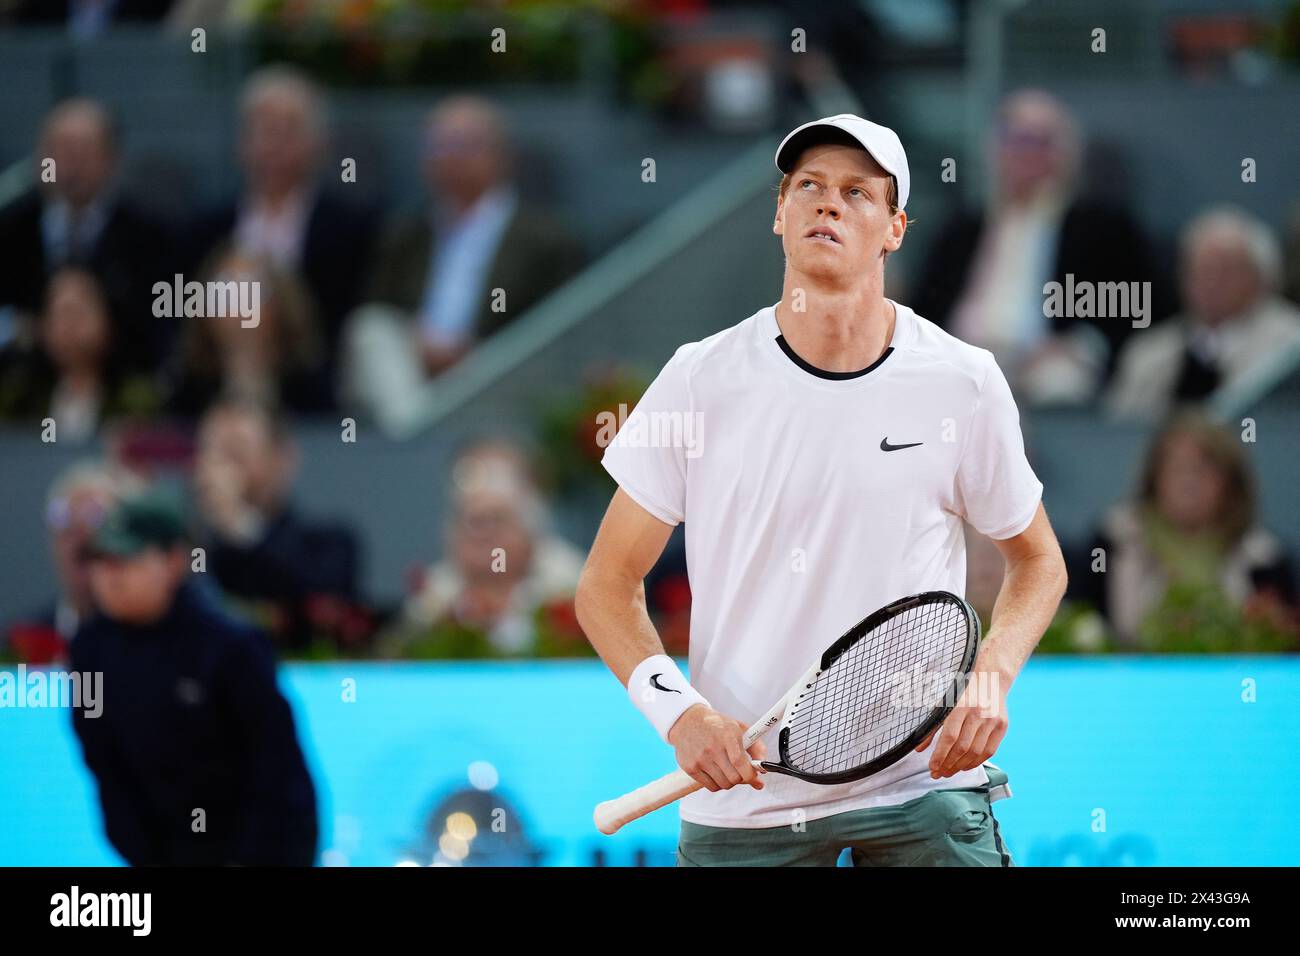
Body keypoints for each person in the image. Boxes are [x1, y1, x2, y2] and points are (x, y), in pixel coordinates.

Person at [576, 114, 1068, 867]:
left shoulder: (963, 381)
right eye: (807, 186)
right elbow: (607, 585)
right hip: (744, 810)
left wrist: (990, 679)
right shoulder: (698, 378)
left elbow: (1039, 562)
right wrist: (680, 718)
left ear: (894, 228)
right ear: (780, 213)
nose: (826, 204)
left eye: (855, 192)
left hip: (921, 784)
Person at [68, 488, 319, 865]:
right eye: (101, 562)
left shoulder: (230, 645)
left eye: (127, 560)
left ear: (173, 561)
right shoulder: (89, 651)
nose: (110, 576)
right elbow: (105, 768)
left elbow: (274, 770)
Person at [909, 89, 1170, 403]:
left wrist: (1083, 344)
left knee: (1060, 386)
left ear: (1067, 154)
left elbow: (1144, 305)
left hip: (1051, 361)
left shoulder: (1102, 229)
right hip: (965, 357)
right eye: (1015, 140)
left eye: (1041, 142)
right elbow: (923, 307)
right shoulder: (962, 228)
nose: (1026, 153)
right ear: (996, 149)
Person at [341, 95, 585, 429]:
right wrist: (421, 344)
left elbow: (558, 324)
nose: (450, 158)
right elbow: (382, 305)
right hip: (412, 372)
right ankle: (416, 428)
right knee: (369, 329)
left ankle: (415, 434)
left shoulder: (546, 238)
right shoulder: (406, 234)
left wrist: (470, 354)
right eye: (439, 147)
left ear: (501, 156)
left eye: (463, 145)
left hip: (494, 369)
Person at [190, 65, 375, 364]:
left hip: (313, 379)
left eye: (287, 131)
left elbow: (344, 320)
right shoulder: (207, 229)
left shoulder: (350, 229)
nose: (273, 145)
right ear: (241, 143)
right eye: (262, 130)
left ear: (319, 142)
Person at [1074, 413, 1297, 650]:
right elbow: (1079, 627)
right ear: (1154, 477)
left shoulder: (1267, 558)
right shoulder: (1110, 542)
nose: (1188, 483)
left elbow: (1288, 645)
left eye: (1203, 470)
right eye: (1176, 467)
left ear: (1231, 483)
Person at [0, 98, 174, 367]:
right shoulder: (11, 232)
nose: (72, 165)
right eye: (61, 151)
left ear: (112, 159)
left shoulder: (148, 239)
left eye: (84, 151)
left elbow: (158, 331)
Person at [382, 439, 585, 658]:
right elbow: (397, 662)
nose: (481, 534)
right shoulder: (435, 594)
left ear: (530, 529)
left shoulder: (571, 580)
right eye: (470, 521)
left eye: (496, 520)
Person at [193, 398, 361, 652]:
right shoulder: (183, 547)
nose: (221, 468)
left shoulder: (329, 542)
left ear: (283, 459)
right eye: (212, 452)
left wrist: (239, 523)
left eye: (237, 453)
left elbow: (314, 606)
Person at [1106, 206, 1300, 422]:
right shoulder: (1148, 354)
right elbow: (1117, 437)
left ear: (1263, 278)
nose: (1211, 282)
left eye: (1225, 270)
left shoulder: (1291, 349)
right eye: (1200, 269)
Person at [1, 460, 142, 664]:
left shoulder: (160, 641)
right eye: (65, 521)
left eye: (95, 516)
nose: (80, 533)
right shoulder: (22, 644)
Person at [0, 267, 160, 439]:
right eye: (59, 313)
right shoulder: (18, 399)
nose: (69, 325)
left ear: (108, 320)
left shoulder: (137, 401)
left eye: (78, 311)